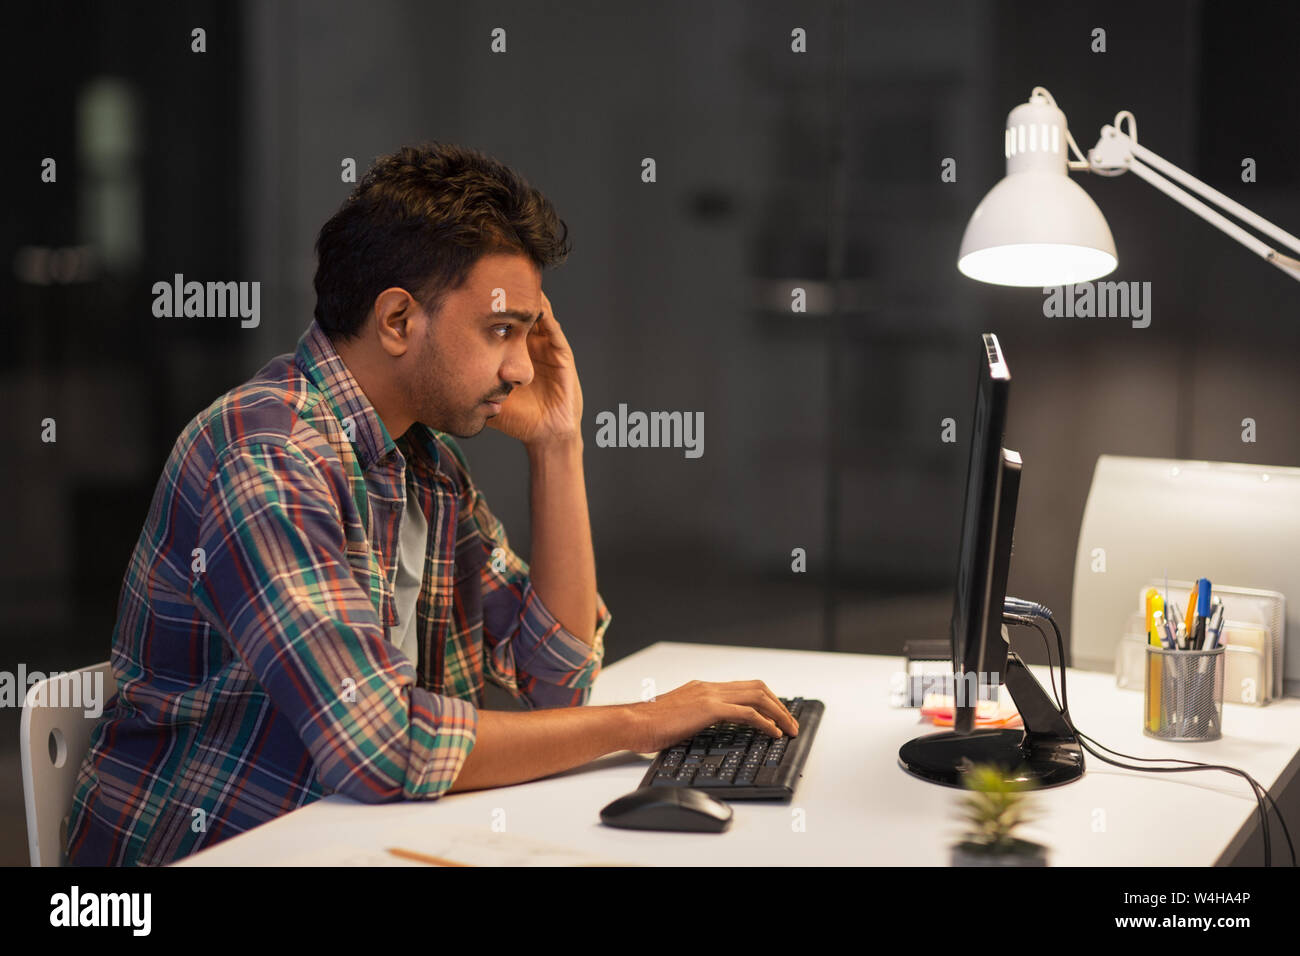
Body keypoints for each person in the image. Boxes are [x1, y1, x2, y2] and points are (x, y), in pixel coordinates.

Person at [65, 143, 798, 866]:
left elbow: (556, 679)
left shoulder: (423, 463)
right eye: (501, 330)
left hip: (351, 837)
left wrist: (557, 445)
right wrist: (644, 721)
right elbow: (380, 747)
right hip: (219, 848)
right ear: (396, 321)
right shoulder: (270, 456)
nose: (519, 368)